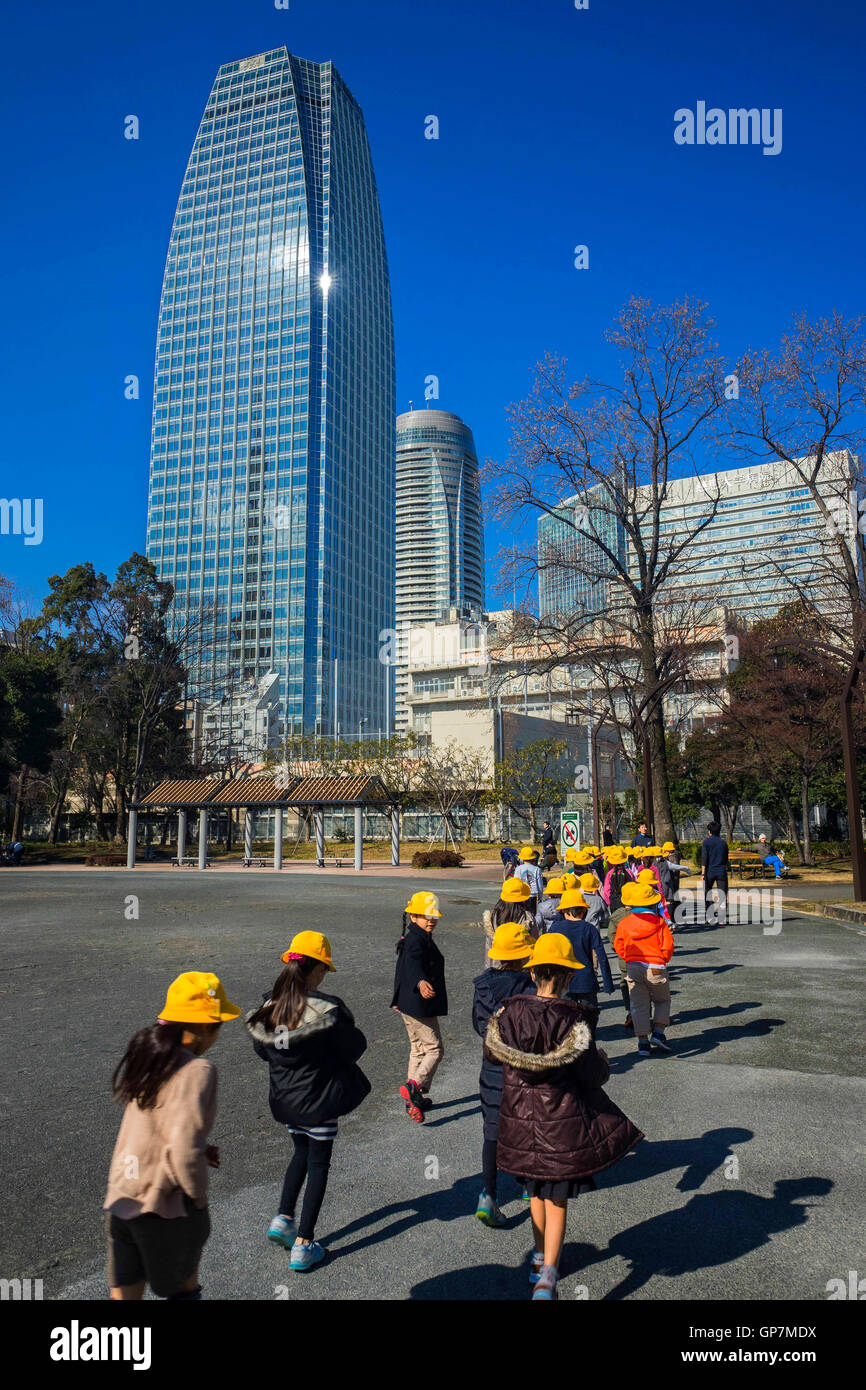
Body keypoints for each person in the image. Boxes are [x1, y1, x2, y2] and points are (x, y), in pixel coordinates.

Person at [485, 933, 644, 1300]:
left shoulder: (507, 1013)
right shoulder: (572, 1021)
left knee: (535, 1193)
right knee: (556, 1200)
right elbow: (590, 1074)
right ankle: (548, 1279)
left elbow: (494, 1056)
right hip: (560, 1124)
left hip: (520, 1121)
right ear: (568, 977)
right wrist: (602, 1063)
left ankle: (540, 1259)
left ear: (535, 971)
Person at [104, 971, 241, 1300]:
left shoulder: (150, 1056)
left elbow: (153, 1125)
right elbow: (182, 1145)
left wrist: (200, 1147)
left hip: (123, 1196)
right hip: (165, 1205)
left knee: (125, 1293)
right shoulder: (198, 1070)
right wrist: (197, 1199)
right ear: (206, 1027)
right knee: (183, 1290)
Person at [247, 932, 370, 1272]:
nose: (325, 976)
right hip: (320, 1099)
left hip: (285, 1099)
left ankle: (283, 1218)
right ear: (316, 970)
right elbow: (355, 1047)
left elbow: (263, 1050)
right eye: (325, 970)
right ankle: (304, 1243)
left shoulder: (271, 1008)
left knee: (300, 1152)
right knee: (318, 1164)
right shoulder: (327, 1011)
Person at [471, 923, 537, 1227]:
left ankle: (488, 1194)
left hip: (493, 1065)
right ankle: (527, 1183)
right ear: (526, 955)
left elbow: (478, 1025)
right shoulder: (531, 987)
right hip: (522, 1067)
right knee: (526, 1126)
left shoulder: (482, 985)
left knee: (492, 1131)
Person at [391, 891, 448, 1123]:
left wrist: (396, 998)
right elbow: (412, 965)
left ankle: (412, 1100)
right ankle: (415, 1086)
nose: (431, 920)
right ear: (413, 916)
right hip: (418, 1004)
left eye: (433, 916)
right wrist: (421, 981)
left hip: (408, 1003)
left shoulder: (417, 935)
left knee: (418, 1049)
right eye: (425, 916)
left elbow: (401, 968)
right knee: (435, 1048)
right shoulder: (415, 940)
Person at [614, 880, 675, 1058]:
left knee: (638, 1005)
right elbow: (668, 946)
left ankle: (642, 1042)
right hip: (656, 965)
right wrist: (663, 959)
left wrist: (628, 957)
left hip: (633, 965)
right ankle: (658, 1032)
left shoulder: (625, 923)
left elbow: (619, 945)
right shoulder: (659, 922)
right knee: (662, 1000)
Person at [545, 887, 614, 1007]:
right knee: (589, 1016)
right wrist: (608, 983)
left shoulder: (555, 928)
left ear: (563, 911)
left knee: (565, 1017)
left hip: (562, 980)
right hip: (586, 979)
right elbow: (601, 956)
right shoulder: (589, 928)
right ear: (583, 911)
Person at [483, 877, 537, 962]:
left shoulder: (492, 916)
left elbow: (488, 947)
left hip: (496, 965)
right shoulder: (527, 917)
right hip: (521, 967)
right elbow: (534, 943)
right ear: (523, 899)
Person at [701, 821, 730, 926]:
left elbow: (704, 859)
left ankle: (710, 917)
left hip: (709, 871)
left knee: (708, 894)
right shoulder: (723, 843)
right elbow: (726, 858)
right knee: (722, 894)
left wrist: (703, 874)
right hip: (721, 870)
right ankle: (721, 919)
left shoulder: (706, 843)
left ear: (709, 831)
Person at [514, 847, 545, 916]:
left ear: (522, 858)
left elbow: (516, 883)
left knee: (522, 915)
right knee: (533, 915)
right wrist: (540, 896)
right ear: (533, 858)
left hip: (522, 895)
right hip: (533, 895)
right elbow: (540, 885)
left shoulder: (518, 869)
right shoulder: (537, 869)